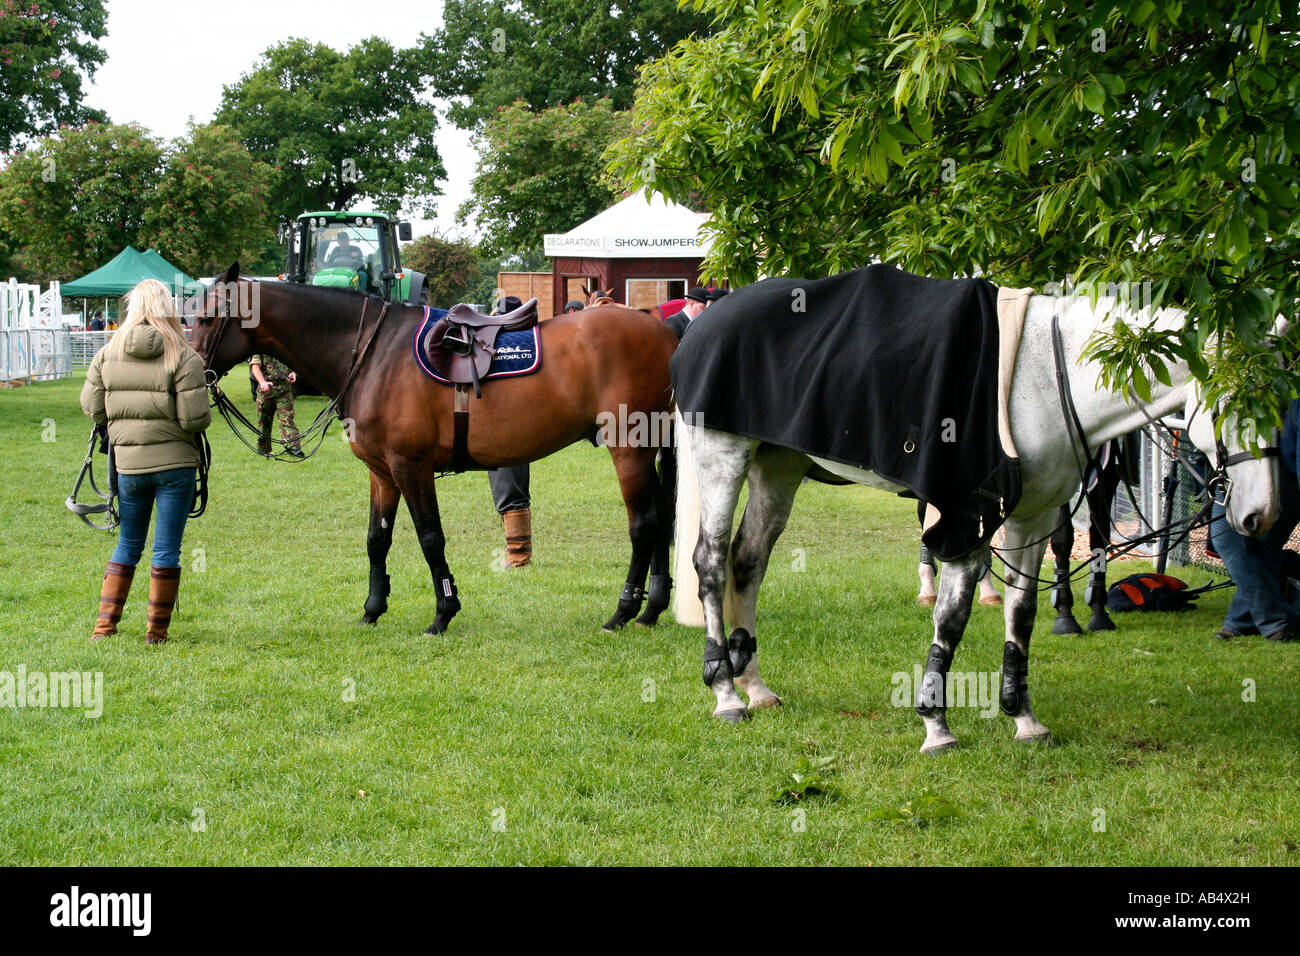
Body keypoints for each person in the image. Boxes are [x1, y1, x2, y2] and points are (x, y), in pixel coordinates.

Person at [80, 279, 211, 645]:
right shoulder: (184, 357)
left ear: (132, 308)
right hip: (176, 467)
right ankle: (156, 634)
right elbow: (193, 420)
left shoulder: (107, 353)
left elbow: (92, 408)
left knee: (127, 543)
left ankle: (104, 628)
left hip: (129, 467)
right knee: (166, 548)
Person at [1210, 398, 1300, 642]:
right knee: (1261, 550)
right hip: (1258, 468)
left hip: (1273, 472)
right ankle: (1242, 621)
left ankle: (1274, 621)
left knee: (1226, 537)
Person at [487, 295, 533, 566]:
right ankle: (517, 552)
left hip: (506, 422)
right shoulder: (528, 342)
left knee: (508, 486)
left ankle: (518, 555)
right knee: (510, 486)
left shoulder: (502, 343)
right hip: (516, 421)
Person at [250, 354, 303, 458]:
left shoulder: (283, 344)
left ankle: (294, 448)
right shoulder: (260, 345)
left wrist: (292, 373)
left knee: (287, 419)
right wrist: (262, 382)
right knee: (264, 421)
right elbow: (254, 366)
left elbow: (292, 361)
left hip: (284, 389)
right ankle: (264, 449)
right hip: (266, 390)